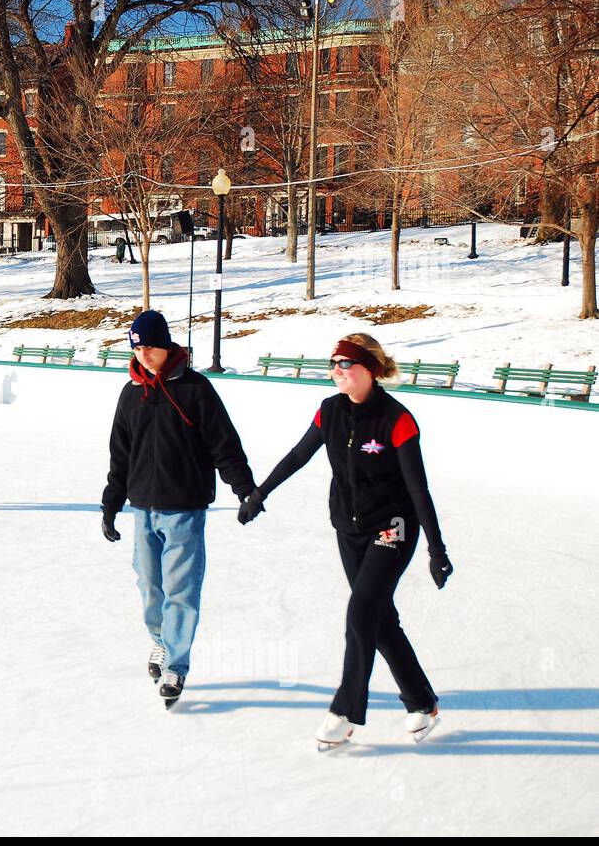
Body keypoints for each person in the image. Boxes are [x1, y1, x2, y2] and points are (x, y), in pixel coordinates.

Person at [238, 333, 452, 749]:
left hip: (392, 527)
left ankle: (344, 710)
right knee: (379, 619)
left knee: (360, 612)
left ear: (369, 369)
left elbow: (418, 489)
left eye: (345, 363)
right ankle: (422, 703)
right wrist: (260, 493)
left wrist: (436, 548)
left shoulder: (397, 419)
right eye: (333, 363)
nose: (336, 370)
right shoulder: (329, 411)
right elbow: (299, 455)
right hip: (348, 527)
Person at [100, 310, 257, 709]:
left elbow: (224, 443)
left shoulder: (195, 389)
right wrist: (111, 503)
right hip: (142, 508)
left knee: (181, 591)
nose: (144, 354)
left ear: (166, 343)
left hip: (184, 507)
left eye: (150, 346)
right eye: (137, 347)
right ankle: (160, 642)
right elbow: (120, 453)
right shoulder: (130, 393)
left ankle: (177, 663)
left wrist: (244, 489)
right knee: (150, 586)